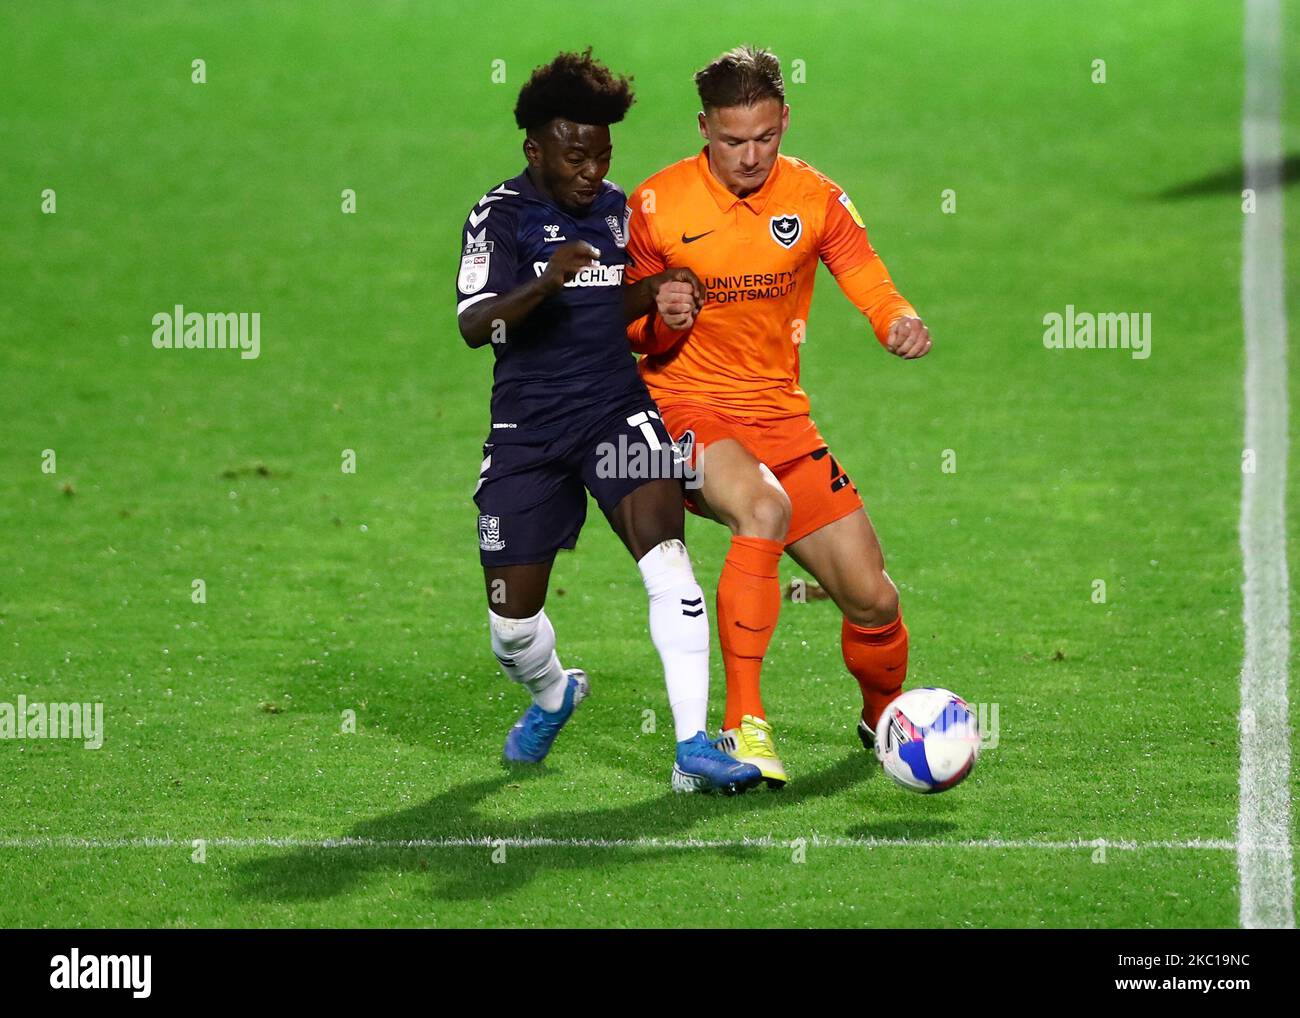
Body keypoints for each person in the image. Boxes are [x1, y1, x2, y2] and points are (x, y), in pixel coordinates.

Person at [623, 45, 932, 787]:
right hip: (687, 407)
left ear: (784, 119)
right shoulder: (657, 204)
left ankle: (884, 714)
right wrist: (661, 319)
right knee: (762, 507)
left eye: (767, 137)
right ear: (705, 128)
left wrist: (894, 318)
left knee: (871, 595)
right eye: (733, 141)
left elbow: (862, 268)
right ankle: (742, 728)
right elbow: (626, 327)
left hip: (780, 417)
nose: (752, 155)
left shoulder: (814, 196)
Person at [455, 49, 761, 794]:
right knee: (511, 627)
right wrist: (542, 282)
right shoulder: (499, 216)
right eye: (573, 155)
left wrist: (659, 290)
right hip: (529, 435)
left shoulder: (620, 209)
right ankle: (555, 693)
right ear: (535, 149)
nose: (590, 171)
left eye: (601, 155)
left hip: (614, 414)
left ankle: (693, 746)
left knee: (669, 565)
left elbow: (607, 302)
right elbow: (475, 325)